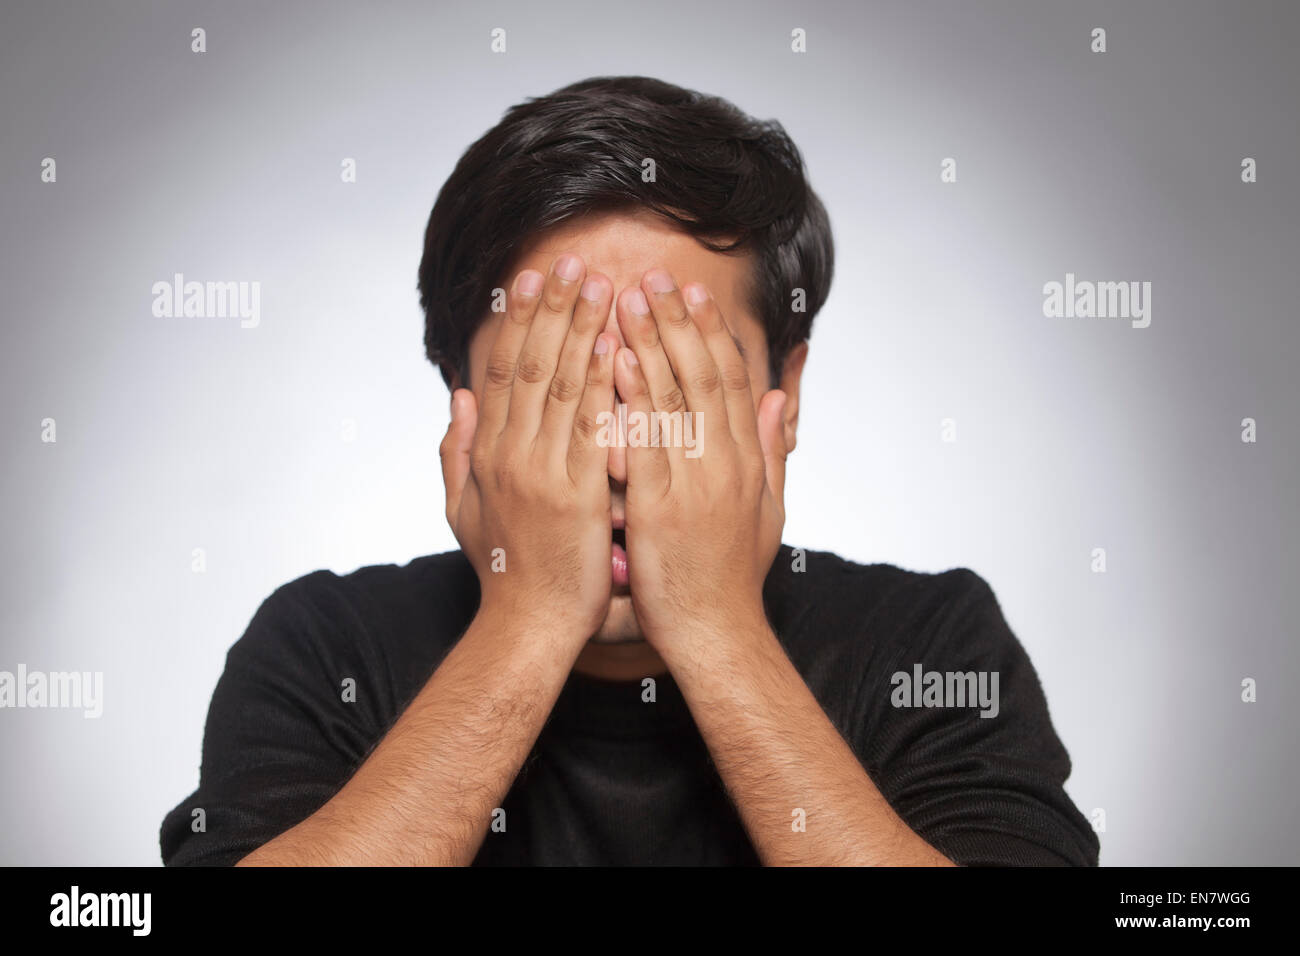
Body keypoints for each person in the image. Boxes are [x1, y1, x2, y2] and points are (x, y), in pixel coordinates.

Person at [160, 75, 1099, 866]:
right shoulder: (326, 649)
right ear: (463, 407)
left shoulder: (928, 645)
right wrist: (526, 618)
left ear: (789, 395)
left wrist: (715, 623)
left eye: (674, 385)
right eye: (557, 388)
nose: (616, 458)